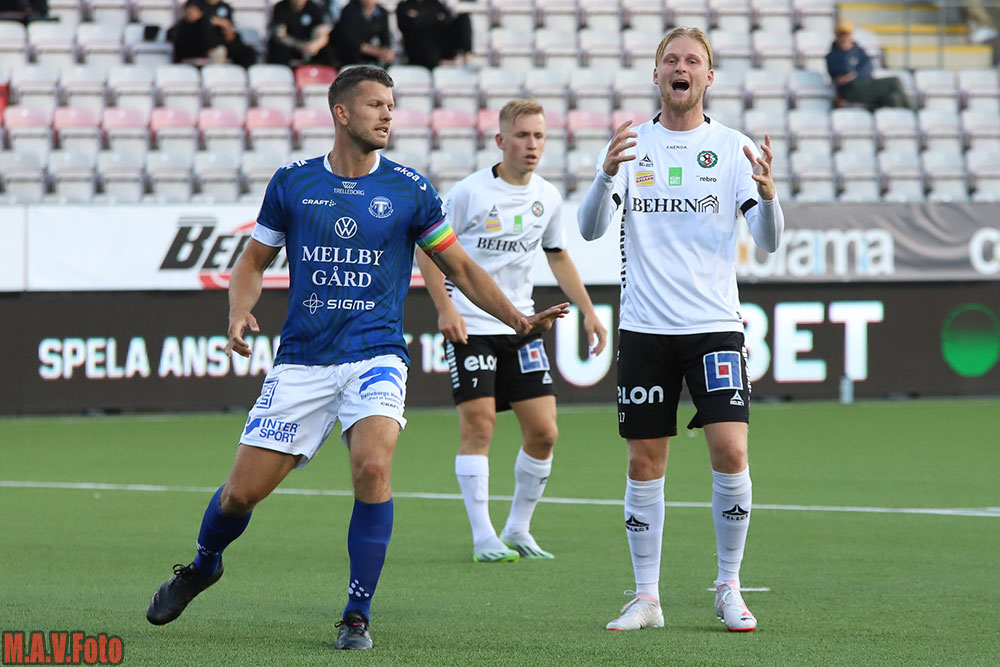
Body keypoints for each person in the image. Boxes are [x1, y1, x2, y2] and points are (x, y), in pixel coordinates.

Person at [145, 65, 568, 651]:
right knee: (240, 495)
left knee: (373, 466)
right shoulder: (293, 183)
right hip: (302, 363)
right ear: (341, 113)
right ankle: (204, 563)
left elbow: (462, 268)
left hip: (376, 357)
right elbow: (250, 263)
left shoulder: (410, 189)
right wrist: (238, 313)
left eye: (392, 105)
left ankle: (356, 614)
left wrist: (519, 320)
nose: (388, 114)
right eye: (375, 104)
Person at [577, 27, 784, 633]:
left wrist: (770, 198)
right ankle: (647, 597)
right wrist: (604, 175)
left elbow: (768, 244)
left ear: (709, 77)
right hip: (645, 328)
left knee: (732, 450)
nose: (681, 68)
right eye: (671, 59)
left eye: (693, 60)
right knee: (645, 462)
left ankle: (728, 585)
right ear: (657, 73)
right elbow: (590, 230)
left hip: (716, 326)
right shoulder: (629, 145)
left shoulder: (733, 148)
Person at [416, 98, 608, 563]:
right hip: (472, 324)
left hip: (521, 325)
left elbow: (558, 254)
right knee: (479, 426)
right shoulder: (469, 193)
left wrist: (589, 311)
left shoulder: (548, 196)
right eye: (522, 135)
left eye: (539, 136)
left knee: (544, 432)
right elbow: (428, 249)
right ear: (501, 140)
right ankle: (484, 537)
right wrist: (445, 308)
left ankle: (518, 528)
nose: (532, 144)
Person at [825, 19, 911, 110]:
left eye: (847, 33)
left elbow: (868, 69)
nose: (845, 37)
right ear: (836, 36)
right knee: (894, 82)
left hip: (866, 84)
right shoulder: (832, 56)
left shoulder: (859, 50)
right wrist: (847, 55)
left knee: (892, 98)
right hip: (851, 90)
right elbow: (844, 72)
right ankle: (911, 113)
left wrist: (853, 75)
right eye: (841, 34)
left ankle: (903, 118)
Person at [395, 0, 473, 69]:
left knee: (464, 18)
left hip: (440, 46)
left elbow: (448, 19)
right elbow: (406, 26)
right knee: (423, 32)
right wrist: (435, 18)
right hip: (419, 49)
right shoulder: (404, 6)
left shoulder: (436, 4)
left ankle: (468, 58)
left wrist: (419, 17)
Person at [267, 0, 337, 67]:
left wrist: (315, 45)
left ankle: (328, 76)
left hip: (308, 46)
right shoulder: (280, 8)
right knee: (279, 50)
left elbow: (323, 34)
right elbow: (281, 36)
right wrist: (299, 45)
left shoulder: (314, 7)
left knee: (328, 52)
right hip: (291, 45)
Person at [332, 0, 396, 68]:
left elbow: (385, 37)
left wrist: (386, 52)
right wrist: (379, 52)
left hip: (367, 56)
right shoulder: (349, 10)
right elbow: (351, 41)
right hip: (343, 57)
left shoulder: (382, 13)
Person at [196, 0, 258, 67]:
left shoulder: (225, 7)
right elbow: (192, 20)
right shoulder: (196, 3)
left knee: (247, 52)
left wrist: (226, 26)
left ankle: (243, 73)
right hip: (201, 42)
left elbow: (230, 33)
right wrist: (210, 20)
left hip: (222, 44)